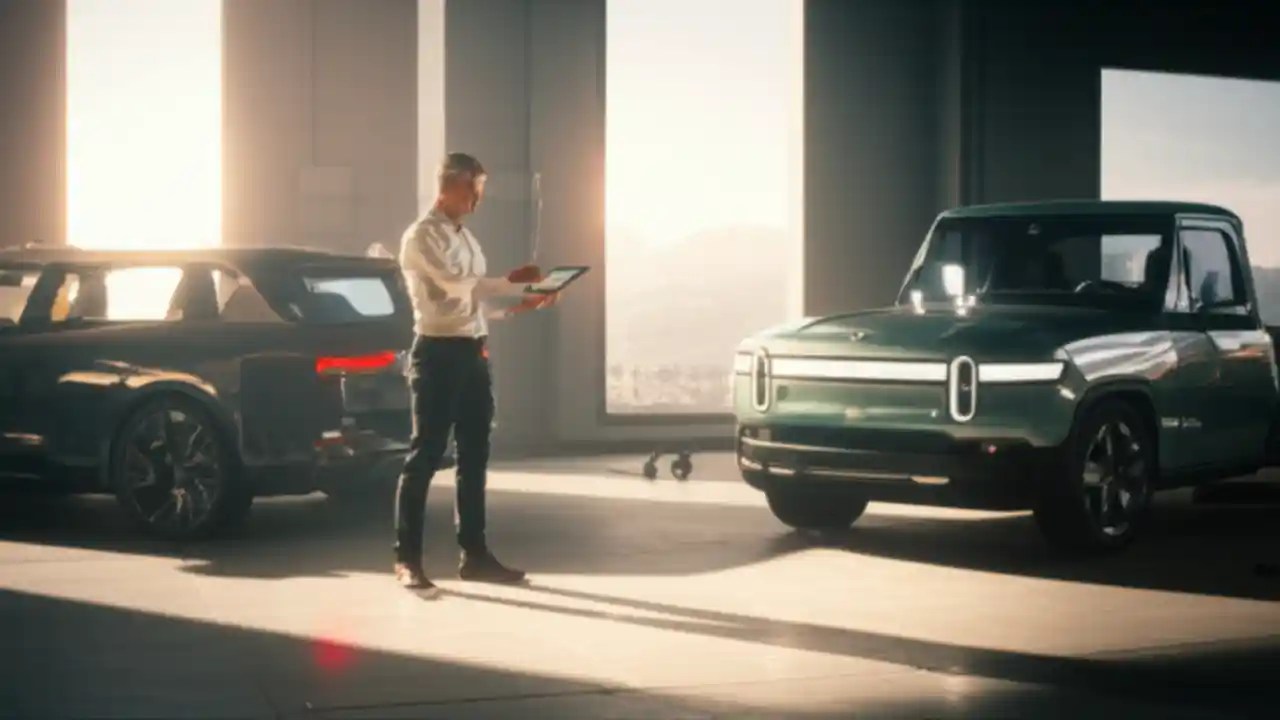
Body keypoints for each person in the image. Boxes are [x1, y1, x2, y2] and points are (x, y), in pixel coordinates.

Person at [393, 152, 557, 591]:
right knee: (425, 455)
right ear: (448, 186)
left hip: (471, 353)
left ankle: (476, 555)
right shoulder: (421, 236)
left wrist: (524, 302)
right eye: (472, 190)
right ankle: (407, 559)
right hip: (436, 354)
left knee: (474, 455)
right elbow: (454, 286)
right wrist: (512, 282)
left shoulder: (467, 238)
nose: (477, 200)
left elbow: (474, 306)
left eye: (480, 190)